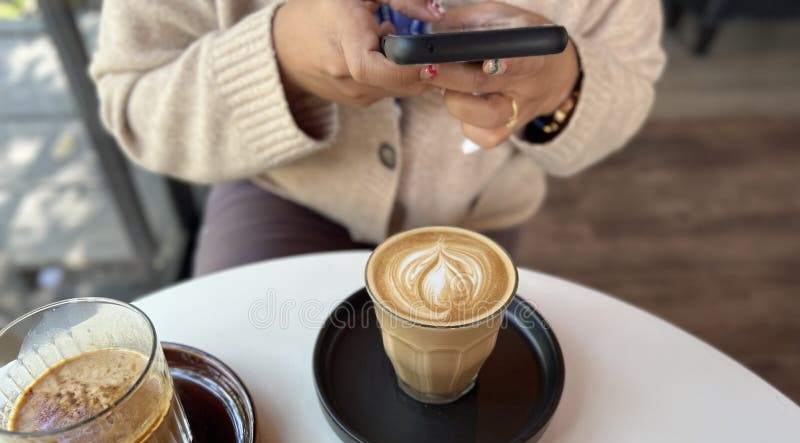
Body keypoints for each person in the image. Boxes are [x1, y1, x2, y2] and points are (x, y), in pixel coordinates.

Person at [89, 0, 665, 276]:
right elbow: (136, 103)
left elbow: (633, 82)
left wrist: (564, 84)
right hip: (285, 195)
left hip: (477, 212)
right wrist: (278, 59)